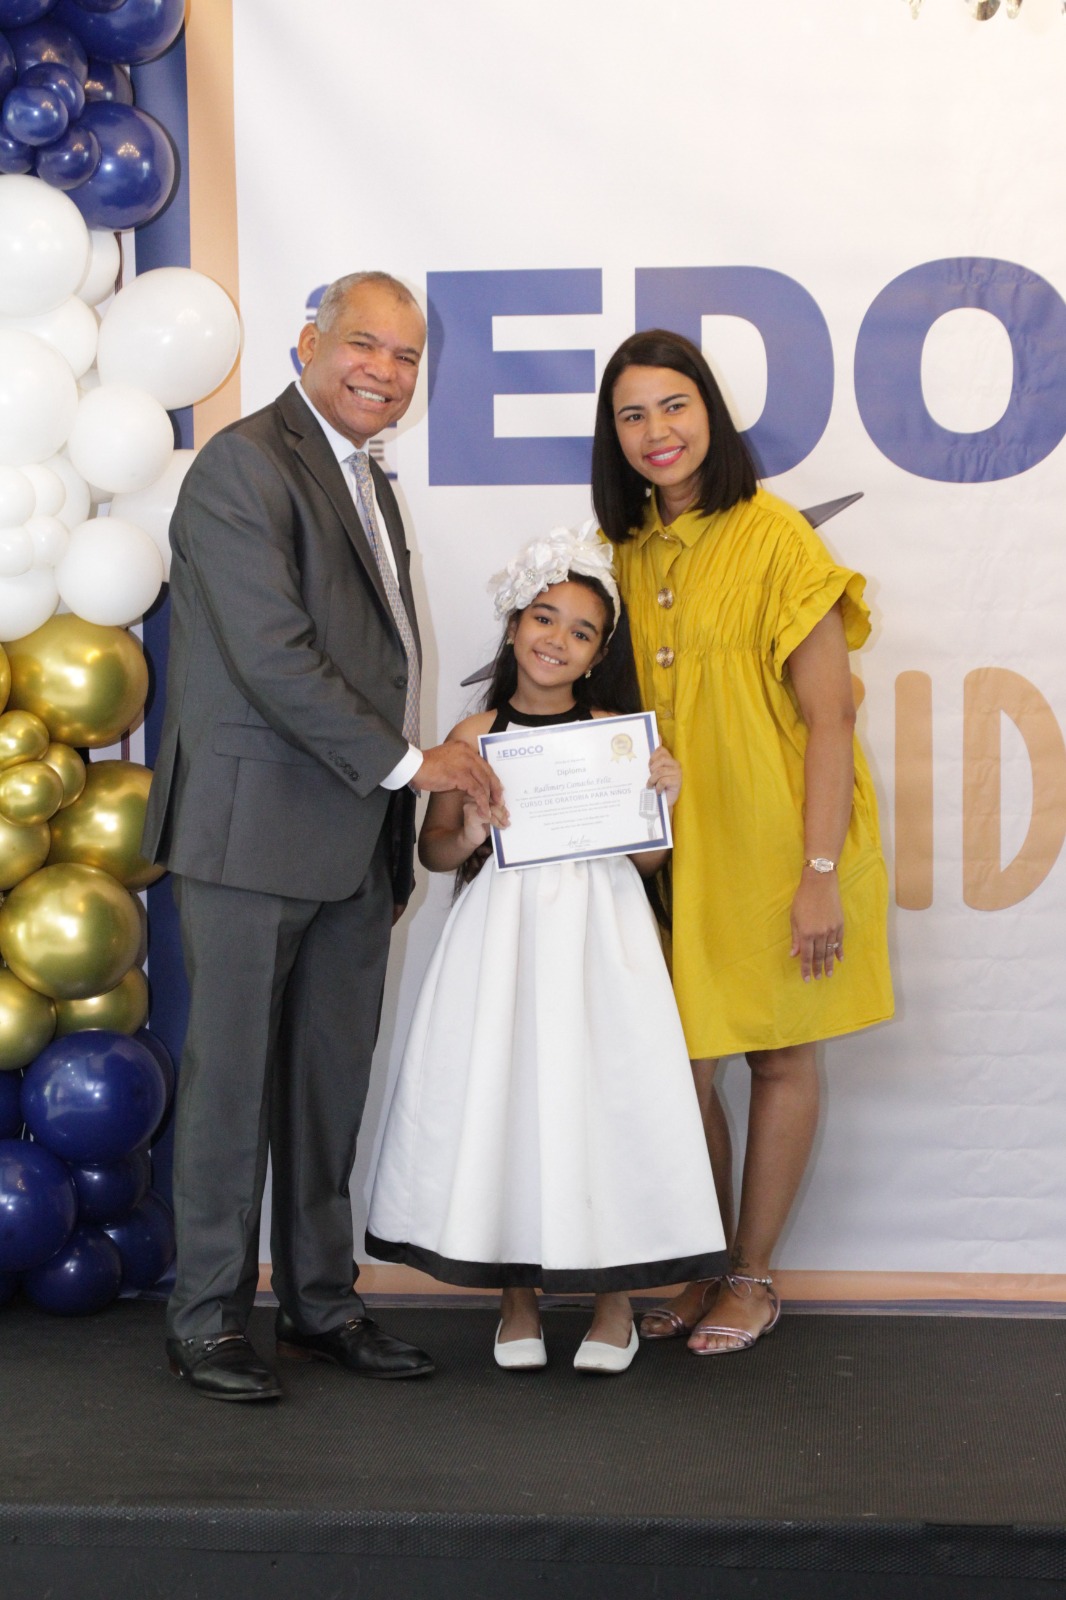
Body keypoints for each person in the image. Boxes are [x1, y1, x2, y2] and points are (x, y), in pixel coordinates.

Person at [142, 271, 501, 1401]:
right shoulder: (243, 465)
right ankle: (204, 1318)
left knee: (326, 1086)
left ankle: (318, 1302)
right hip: (254, 835)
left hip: (352, 838)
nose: (384, 373)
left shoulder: (363, 478)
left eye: (404, 358)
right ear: (308, 342)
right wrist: (412, 766)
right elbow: (273, 657)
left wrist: (401, 786)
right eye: (365, 345)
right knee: (230, 1087)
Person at [591, 329, 894, 1356]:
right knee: (677, 1063)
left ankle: (753, 1274)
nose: (655, 432)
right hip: (667, 852)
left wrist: (817, 876)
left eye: (672, 406)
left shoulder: (775, 538)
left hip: (776, 845)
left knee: (775, 1053)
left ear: (709, 414)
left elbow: (830, 720)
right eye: (632, 414)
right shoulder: (623, 550)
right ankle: (699, 1256)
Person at [365, 527, 728, 1375]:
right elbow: (435, 853)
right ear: (513, 623)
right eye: (544, 617)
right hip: (501, 940)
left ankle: (615, 1302)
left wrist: (659, 800)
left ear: (600, 654)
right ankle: (516, 1299)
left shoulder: (617, 734)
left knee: (602, 1097)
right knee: (508, 1092)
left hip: (601, 942)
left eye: (580, 631)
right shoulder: (471, 729)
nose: (555, 640)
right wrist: (477, 828)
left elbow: (648, 863)